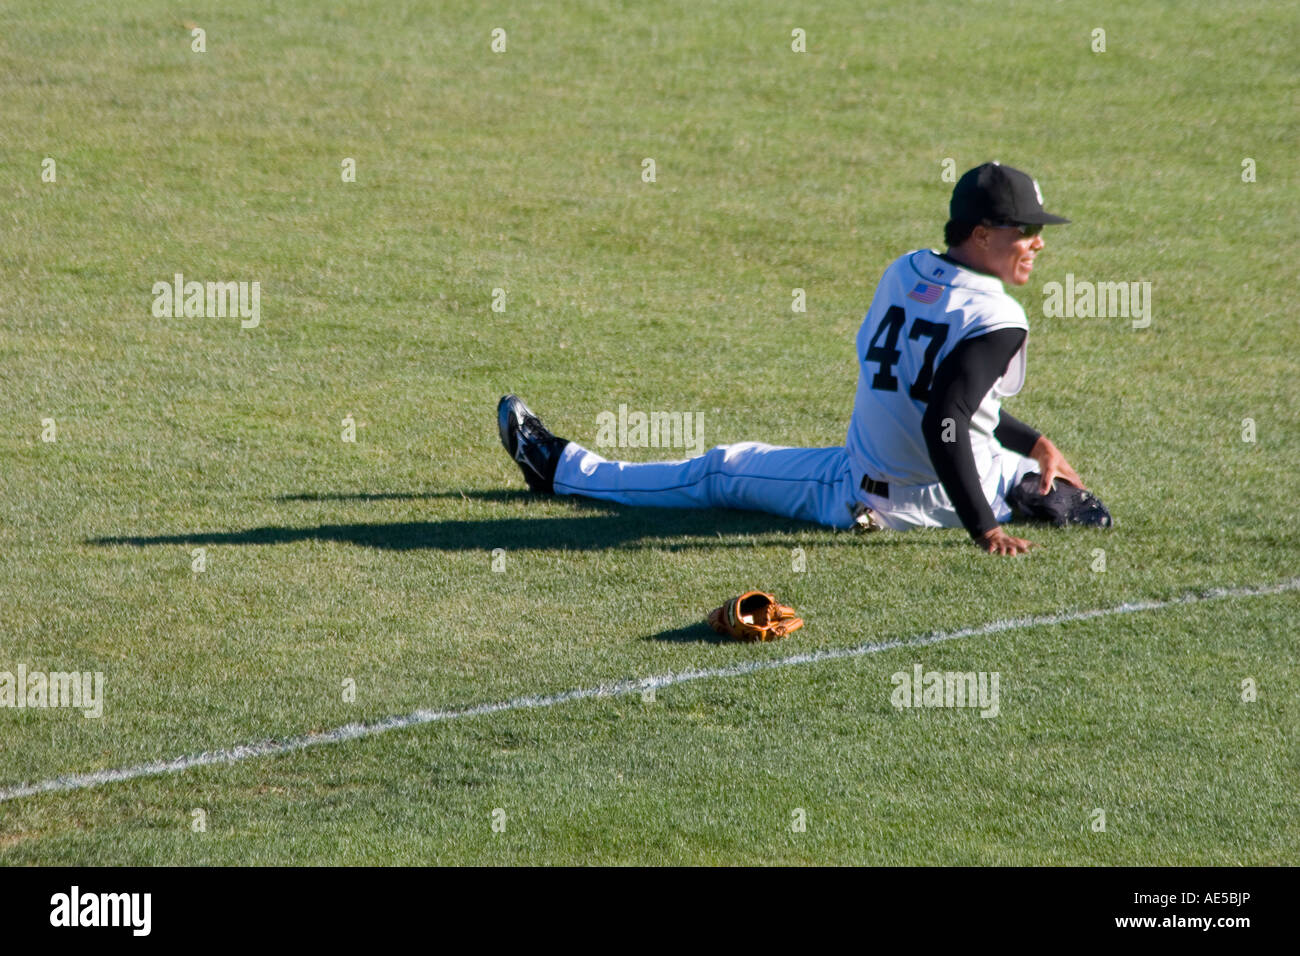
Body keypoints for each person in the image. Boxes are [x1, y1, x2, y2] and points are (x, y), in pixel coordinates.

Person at [497, 162, 1111, 556]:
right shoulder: (997, 316)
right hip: (952, 486)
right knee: (1080, 507)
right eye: (1024, 229)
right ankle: (1021, 494)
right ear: (981, 235)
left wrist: (1013, 480)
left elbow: (937, 410)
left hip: (880, 490)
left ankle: (564, 470)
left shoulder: (905, 271)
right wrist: (1001, 500)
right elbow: (945, 413)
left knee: (722, 469)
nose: (1038, 241)